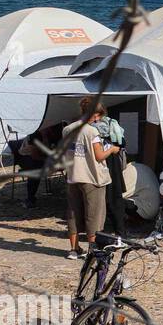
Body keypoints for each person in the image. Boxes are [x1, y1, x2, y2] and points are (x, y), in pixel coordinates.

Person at [62, 101, 121, 260]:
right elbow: (99, 155)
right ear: (95, 114)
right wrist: (112, 149)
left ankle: (73, 249)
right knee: (93, 214)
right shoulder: (91, 132)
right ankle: (92, 250)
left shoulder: (67, 129)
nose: (98, 120)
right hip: (91, 177)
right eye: (98, 117)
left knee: (74, 212)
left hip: (73, 176)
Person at [84, 98, 128, 238]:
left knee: (105, 198)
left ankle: (106, 232)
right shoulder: (111, 124)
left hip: (102, 163)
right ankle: (116, 231)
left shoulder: (87, 127)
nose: (96, 118)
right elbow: (122, 143)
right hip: (106, 162)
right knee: (110, 197)